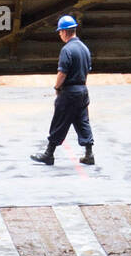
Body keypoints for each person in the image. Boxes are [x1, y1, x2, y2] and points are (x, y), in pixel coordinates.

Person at [31, 15, 95, 166]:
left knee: (59, 121)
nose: (59, 35)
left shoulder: (67, 50)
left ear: (65, 32)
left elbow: (62, 73)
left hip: (69, 93)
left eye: (60, 32)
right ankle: (89, 154)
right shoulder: (84, 48)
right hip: (82, 91)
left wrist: (57, 87)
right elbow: (87, 71)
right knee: (82, 121)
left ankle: (49, 154)